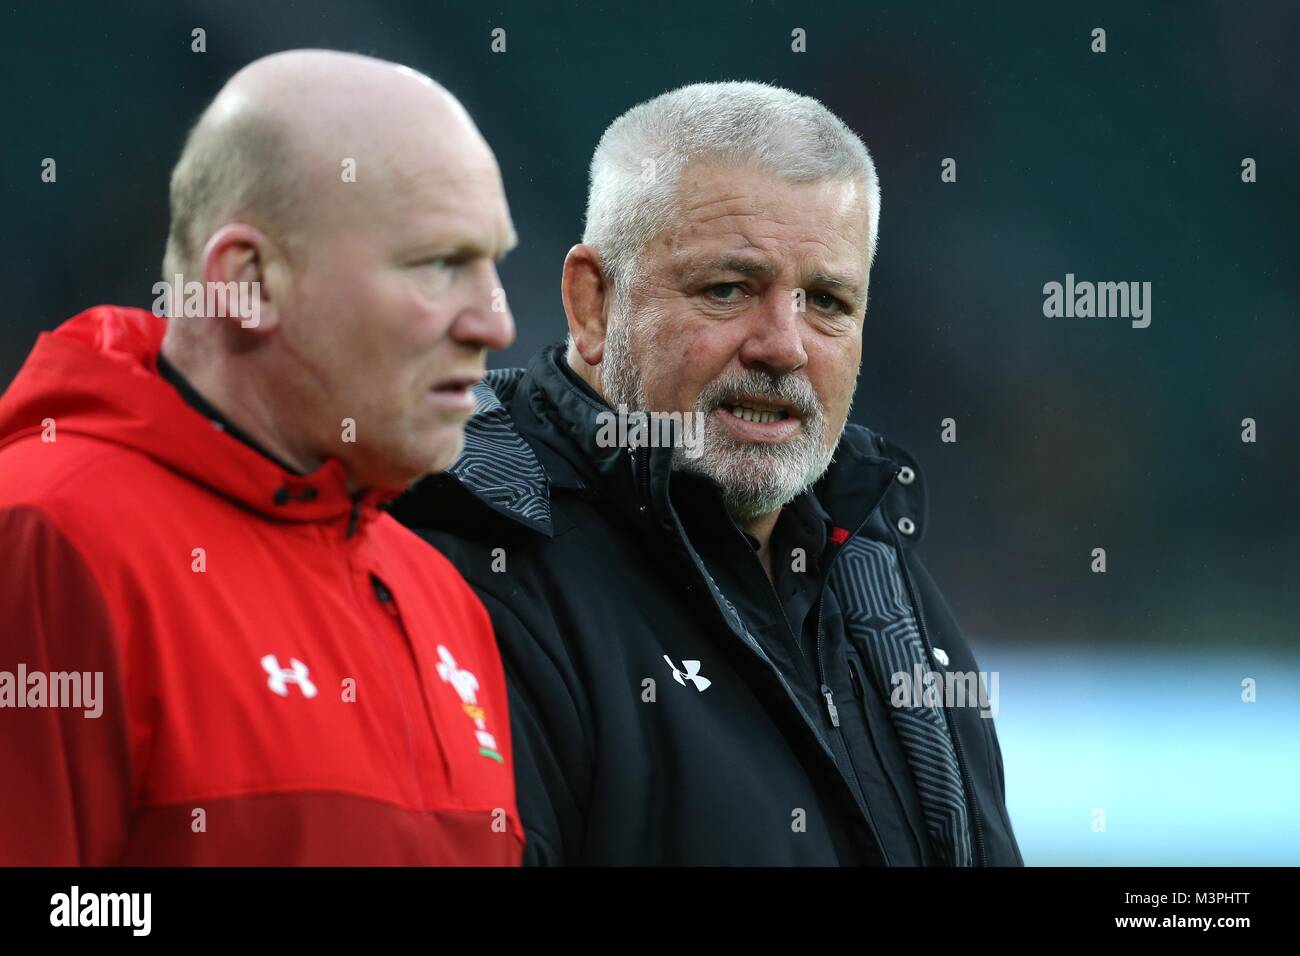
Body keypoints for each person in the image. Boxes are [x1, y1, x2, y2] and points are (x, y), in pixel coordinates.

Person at [393, 81, 1024, 865]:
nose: (783, 345)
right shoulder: (464, 560)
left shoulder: (874, 564)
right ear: (593, 306)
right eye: (728, 290)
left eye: (826, 301)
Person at [0, 50, 521, 865]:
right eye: (438, 265)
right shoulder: (44, 537)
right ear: (247, 281)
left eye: (495, 263)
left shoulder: (443, 599)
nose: (496, 324)